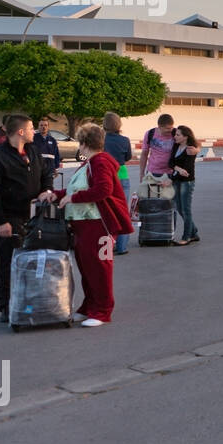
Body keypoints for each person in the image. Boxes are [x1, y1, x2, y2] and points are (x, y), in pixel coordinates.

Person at [0, 114, 56, 324]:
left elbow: (46, 172)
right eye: (31, 128)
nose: (35, 131)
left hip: (33, 216)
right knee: (7, 264)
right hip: (9, 218)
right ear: (21, 132)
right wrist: (1, 220)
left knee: (34, 263)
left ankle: (31, 302)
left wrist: (46, 190)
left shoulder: (33, 151)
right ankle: (6, 306)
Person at [56, 124, 132, 327]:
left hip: (99, 224)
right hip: (85, 224)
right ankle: (90, 306)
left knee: (99, 269)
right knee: (87, 268)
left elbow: (103, 190)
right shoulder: (91, 163)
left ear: (84, 144)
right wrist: (54, 194)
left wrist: (72, 198)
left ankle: (103, 310)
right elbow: (75, 189)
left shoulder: (100, 163)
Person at [102, 112, 133, 254]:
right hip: (122, 175)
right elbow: (128, 157)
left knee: (105, 211)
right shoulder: (125, 140)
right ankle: (122, 247)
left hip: (105, 176)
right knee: (122, 211)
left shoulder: (101, 140)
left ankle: (107, 245)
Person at [170, 125, 200, 245]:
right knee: (179, 208)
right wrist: (178, 169)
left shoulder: (190, 149)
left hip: (186, 183)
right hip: (177, 180)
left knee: (186, 210)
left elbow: (186, 172)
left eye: (178, 135)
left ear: (185, 137)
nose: (175, 136)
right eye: (175, 134)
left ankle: (186, 236)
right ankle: (194, 232)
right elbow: (170, 162)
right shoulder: (176, 146)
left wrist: (174, 175)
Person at [138, 113, 178, 199]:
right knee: (154, 201)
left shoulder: (176, 132)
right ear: (159, 126)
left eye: (171, 127)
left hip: (171, 174)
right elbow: (144, 154)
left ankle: (171, 213)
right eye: (167, 128)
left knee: (170, 201)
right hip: (153, 173)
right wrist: (141, 174)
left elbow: (192, 141)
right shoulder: (150, 134)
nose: (170, 130)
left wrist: (196, 149)